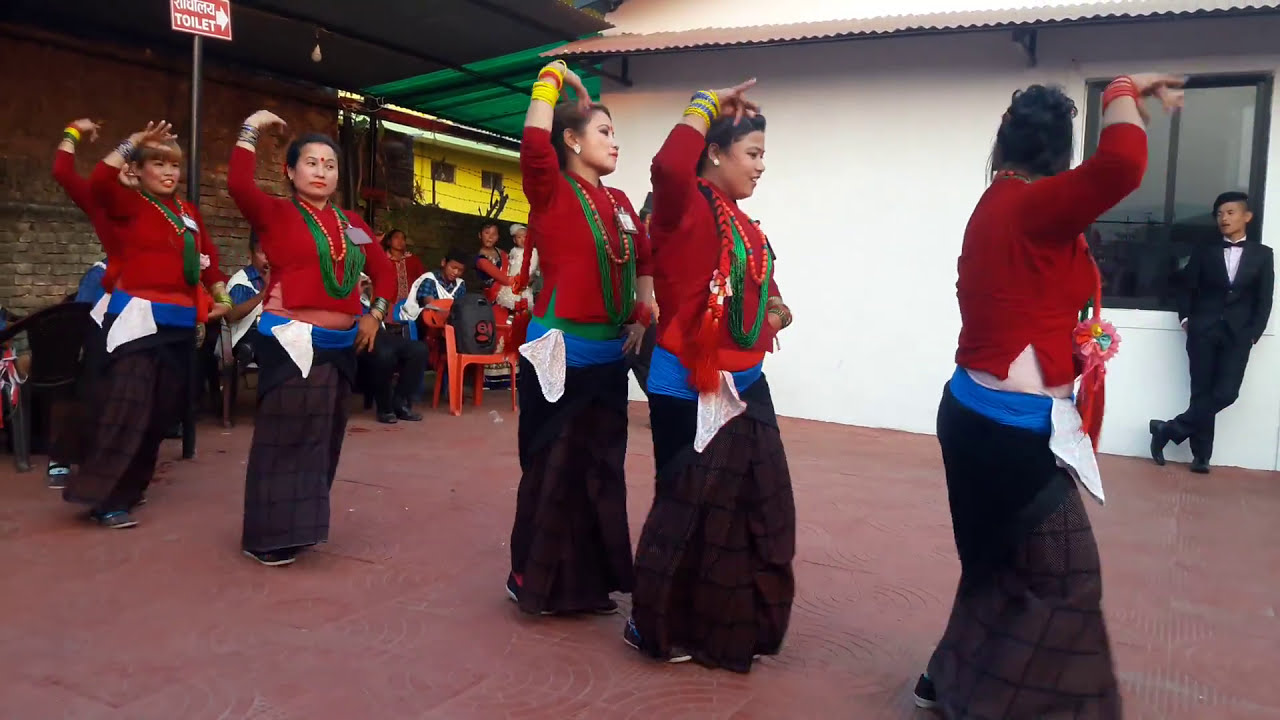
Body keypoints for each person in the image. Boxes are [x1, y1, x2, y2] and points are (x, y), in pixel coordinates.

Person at [912, 75, 1184, 718]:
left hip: (982, 416)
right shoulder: (1033, 206)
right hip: (1007, 430)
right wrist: (1122, 90)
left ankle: (946, 678)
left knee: (998, 564)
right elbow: (1121, 161)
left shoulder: (1003, 203)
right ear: (1061, 154)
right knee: (1066, 575)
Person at [622, 81, 794, 672]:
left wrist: (775, 308)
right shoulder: (683, 207)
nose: (761, 166)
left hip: (748, 386)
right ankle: (658, 623)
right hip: (687, 386)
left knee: (752, 509)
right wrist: (704, 105)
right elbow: (669, 164)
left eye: (763, 155)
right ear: (716, 154)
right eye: (753, 153)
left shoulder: (747, 227)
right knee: (686, 509)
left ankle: (727, 618)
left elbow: (762, 292)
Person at [505, 60, 654, 615]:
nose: (615, 143)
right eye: (604, 132)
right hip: (559, 355)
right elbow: (532, 141)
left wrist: (646, 306)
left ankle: (588, 584)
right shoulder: (549, 187)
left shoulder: (618, 204)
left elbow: (645, 256)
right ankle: (532, 581)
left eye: (615, 133)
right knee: (553, 470)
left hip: (608, 359)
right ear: (571, 140)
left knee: (600, 472)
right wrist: (550, 81)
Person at [229, 110, 395, 566]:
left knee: (324, 437)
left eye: (330, 165)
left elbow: (384, 274)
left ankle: (300, 526)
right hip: (291, 339)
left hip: (340, 347)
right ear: (290, 170)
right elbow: (240, 186)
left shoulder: (353, 224)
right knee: (286, 436)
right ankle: (266, 535)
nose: (322, 172)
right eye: (312, 163)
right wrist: (251, 130)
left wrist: (375, 314)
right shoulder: (277, 212)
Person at [64, 120, 232, 529]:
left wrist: (223, 298)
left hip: (179, 326)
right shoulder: (128, 203)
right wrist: (133, 141)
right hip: (137, 324)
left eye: (173, 164)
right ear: (139, 171)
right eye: (158, 163)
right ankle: (104, 498)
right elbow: (100, 179)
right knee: (129, 409)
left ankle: (132, 490)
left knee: (161, 414)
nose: (170, 172)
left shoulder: (187, 212)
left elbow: (209, 259)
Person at [1149, 191, 1273, 473]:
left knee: (1227, 393)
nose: (1224, 218)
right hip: (1203, 330)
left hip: (1239, 334)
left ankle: (1169, 429)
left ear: (1247, 217)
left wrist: (1253, 332)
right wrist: (1185, 320)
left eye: (1230, 212)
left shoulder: (1263, 255)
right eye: (1219, 214)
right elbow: (1187, 288)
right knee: (1201, 391)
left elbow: (1265, 298)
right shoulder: (1205, 251)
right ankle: (1201, 456)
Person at [223, 232, 270, 368]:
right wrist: (264, 293)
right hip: (242, 342)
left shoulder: (277, 280)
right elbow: (231, 315)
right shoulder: (242, 282)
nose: (267, 258)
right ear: (250, 253)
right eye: (261, 252)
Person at [495, 224, 537, 313]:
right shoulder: (513, 251)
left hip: (525, 281)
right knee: (511, 301)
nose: (523, 239)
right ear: (514, 240)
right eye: (519, 237)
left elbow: (533, 267)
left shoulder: (533, 251)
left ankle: (521, 318)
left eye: (525, 237)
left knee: (524, 302)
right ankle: (511, 314)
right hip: (512, 281)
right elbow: (509, 264)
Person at [381, 228, 426, 308]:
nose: (400, 241)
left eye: (403, 238)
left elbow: (422, 280)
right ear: (389, 241)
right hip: (387, 305)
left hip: (410, 305)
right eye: (396, 237)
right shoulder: (382, 260)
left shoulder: (413, 260)